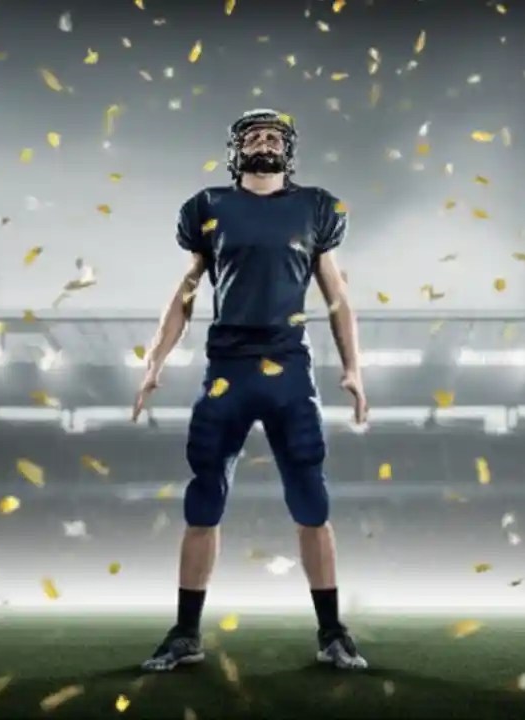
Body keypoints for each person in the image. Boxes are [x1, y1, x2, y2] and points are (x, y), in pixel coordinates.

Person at [132, 109, 368, 671]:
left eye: (274, 134)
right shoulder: (209, 207)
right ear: (235, 149)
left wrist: (354, 366)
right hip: (228, 367)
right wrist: (154, 358)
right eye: (254, 134)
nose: (265, 140)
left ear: (289, 147)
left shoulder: (314, 207)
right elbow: (187, 291)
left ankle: (332, 632)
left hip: (288, 367)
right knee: (203, 498)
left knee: (312, 499)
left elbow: (336, 293)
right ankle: (186, 634)